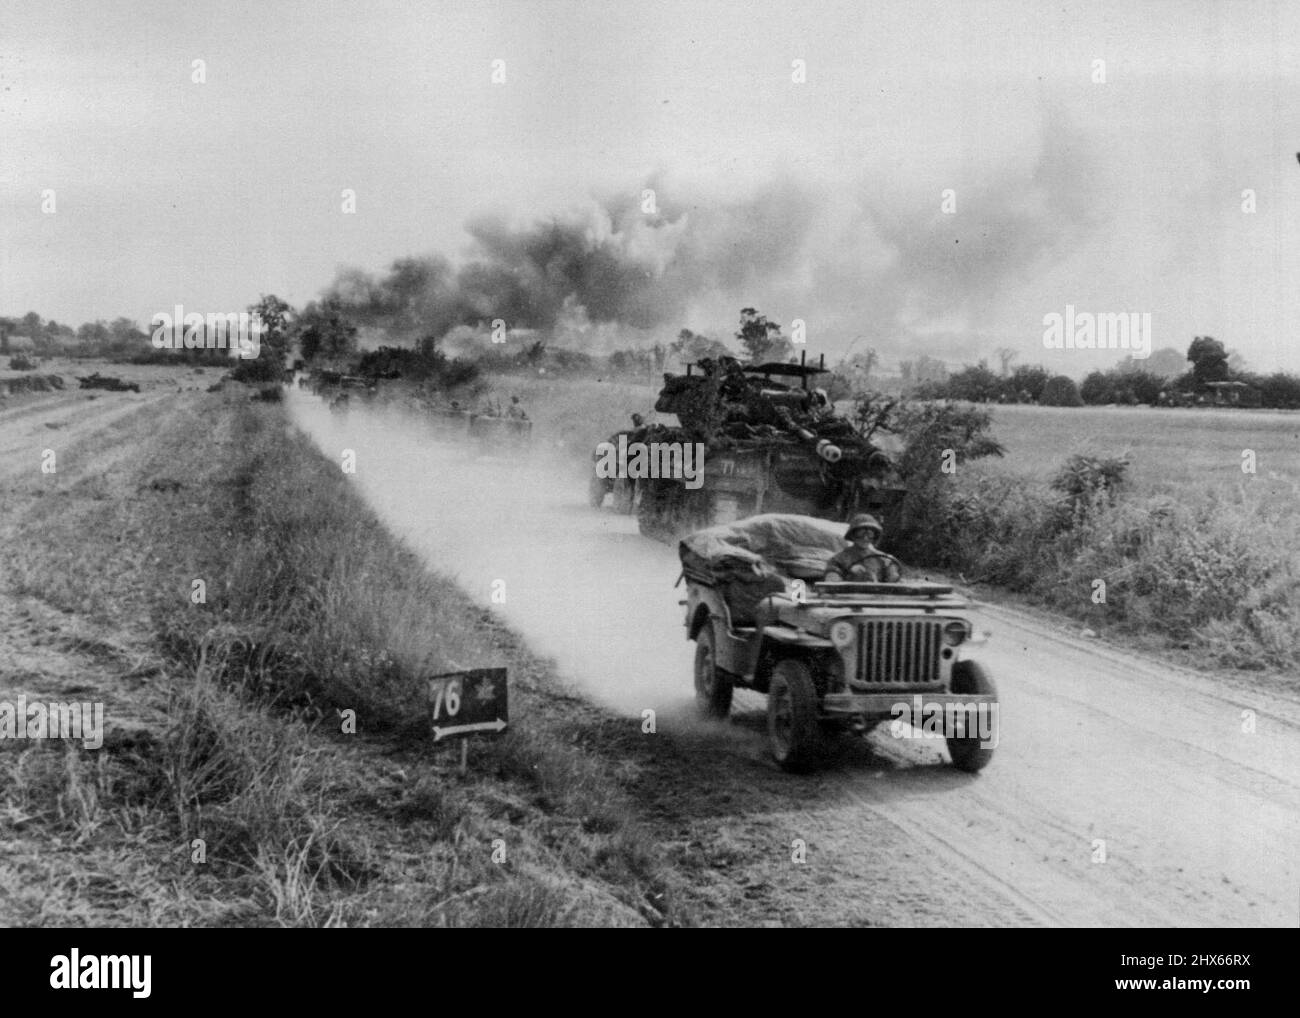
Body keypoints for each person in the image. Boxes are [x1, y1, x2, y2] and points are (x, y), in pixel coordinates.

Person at [824, 514, 902, 582]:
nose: (865, 538)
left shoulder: (884, 559)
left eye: (870, 534)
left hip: (877, 597)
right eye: (860, 533)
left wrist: (892, 573)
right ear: (852, 535)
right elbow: (831, 582)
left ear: (874, 537)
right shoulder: (838, 559)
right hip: (848, 597)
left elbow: (894, 584)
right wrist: (849, 573)